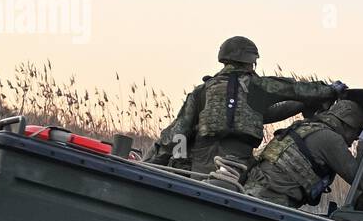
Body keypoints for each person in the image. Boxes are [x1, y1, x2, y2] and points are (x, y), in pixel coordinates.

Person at [144, 37, 344, 173]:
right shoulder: (258, 86)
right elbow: (295, 88)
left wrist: (166, 164)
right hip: (237, 164)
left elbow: (178, 132)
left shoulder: (202, 91)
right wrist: (331, 90)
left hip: (201, 165)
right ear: (250, 62)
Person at [244, 99, 363, 207]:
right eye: (357, 132)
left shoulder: (307, 126)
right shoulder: (330, 139)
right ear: (348, 125)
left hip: (254, 192)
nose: (354, 138)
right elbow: (361, 181)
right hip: (272, 200)